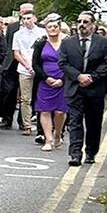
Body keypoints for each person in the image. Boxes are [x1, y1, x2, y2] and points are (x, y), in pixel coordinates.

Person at [60, 12, 107, 167]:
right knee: (75, 122)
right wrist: (78, 76)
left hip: (95, 89)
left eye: (85, 21)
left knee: (93, 123)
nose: (81, 24)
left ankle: (91, 152)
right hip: (75, 89)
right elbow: (63, 63)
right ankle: (75, 154)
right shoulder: (68, 43)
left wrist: (92, 77)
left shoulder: (103, 43)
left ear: (93, 25)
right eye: (79, 21)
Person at [33, 15, 68, 151]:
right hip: (45, 81)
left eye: (55, 27)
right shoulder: (40, 43)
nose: (52, 29)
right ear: (46, 29)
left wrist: (62, 80)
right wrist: (46, 78)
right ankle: (48, 139)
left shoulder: (66, 43)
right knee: (45, 110)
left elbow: (72, 62)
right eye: (49, 27)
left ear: (59, 28)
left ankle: (58, 133)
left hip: (62, 80)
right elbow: (35, 64)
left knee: (60, 111)